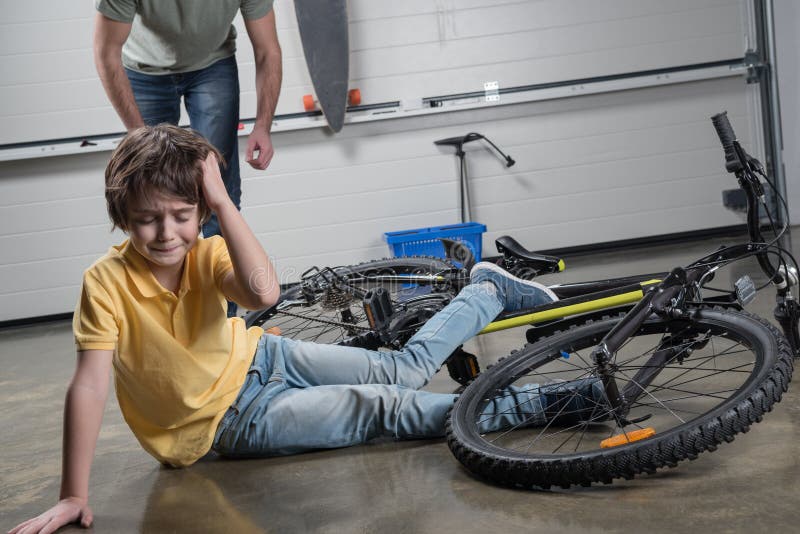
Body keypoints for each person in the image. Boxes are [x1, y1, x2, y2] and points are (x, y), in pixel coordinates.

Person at [9, 125, 607, 533]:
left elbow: (264, 292)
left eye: (182, 216)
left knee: (397, 367)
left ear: (201, 211)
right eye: (146, 220)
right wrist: (73, 493)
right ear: (122, 217)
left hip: (260, 359)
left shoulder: (207, 251)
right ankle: (558, 403)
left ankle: (486, 290)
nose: (166, 234)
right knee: (388, 408)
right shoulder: (104, 283)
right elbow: (88, 386)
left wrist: (222, 201)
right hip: (224, 424)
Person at [93, 0, 282, 239]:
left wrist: (263, 126)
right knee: (152, 180)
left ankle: (219, 269)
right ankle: (168, 270)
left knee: (218, 178)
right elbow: (106, 53)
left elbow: (268, 50)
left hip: (212, 65)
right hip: (145, 70)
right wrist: (138, 137)